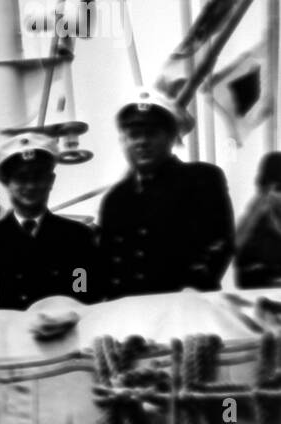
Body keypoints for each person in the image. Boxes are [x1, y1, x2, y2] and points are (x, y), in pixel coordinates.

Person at [98, 87, 234, 300]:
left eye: (151, 133)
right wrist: (82, 298)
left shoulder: (201, 179)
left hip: (186, 306)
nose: (142, 142)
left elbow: (219, 242)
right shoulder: (115, 199)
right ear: (124, 141)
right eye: (134, 134)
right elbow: (101, 264)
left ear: (171, 137)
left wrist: (196, 288)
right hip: (127, 313)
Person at [0, 133, 98, 309]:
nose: (30, 186)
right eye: (21, 178)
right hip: (3, 335)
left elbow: (85, 293)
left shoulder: (78, 238)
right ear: (7, 182)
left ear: (51, 180)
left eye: (38, 177)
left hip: (65, 333)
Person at [234, 152, 281, 289]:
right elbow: (234, 249)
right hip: (256, 292)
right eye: (277, 188)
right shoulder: (257, 212)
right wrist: (256, 211)